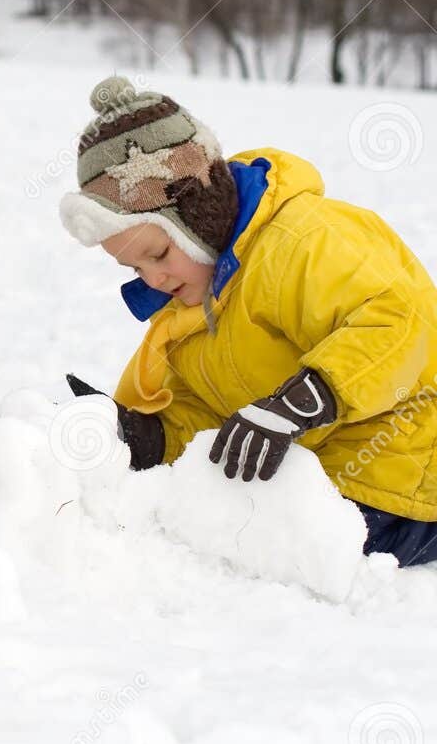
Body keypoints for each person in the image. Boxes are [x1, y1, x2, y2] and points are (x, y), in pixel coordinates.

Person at [59, 75, 437, 567]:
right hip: (323, 478)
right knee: (199, 518)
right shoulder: (190, 309)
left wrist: (306, 399)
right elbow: (204, 408)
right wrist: (146, 437)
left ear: (198, 213)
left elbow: (400, 323)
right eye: (135, 268)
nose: (153, 279)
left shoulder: (303, 241)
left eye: (157, 253)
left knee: (244, 544)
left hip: (404, 476)